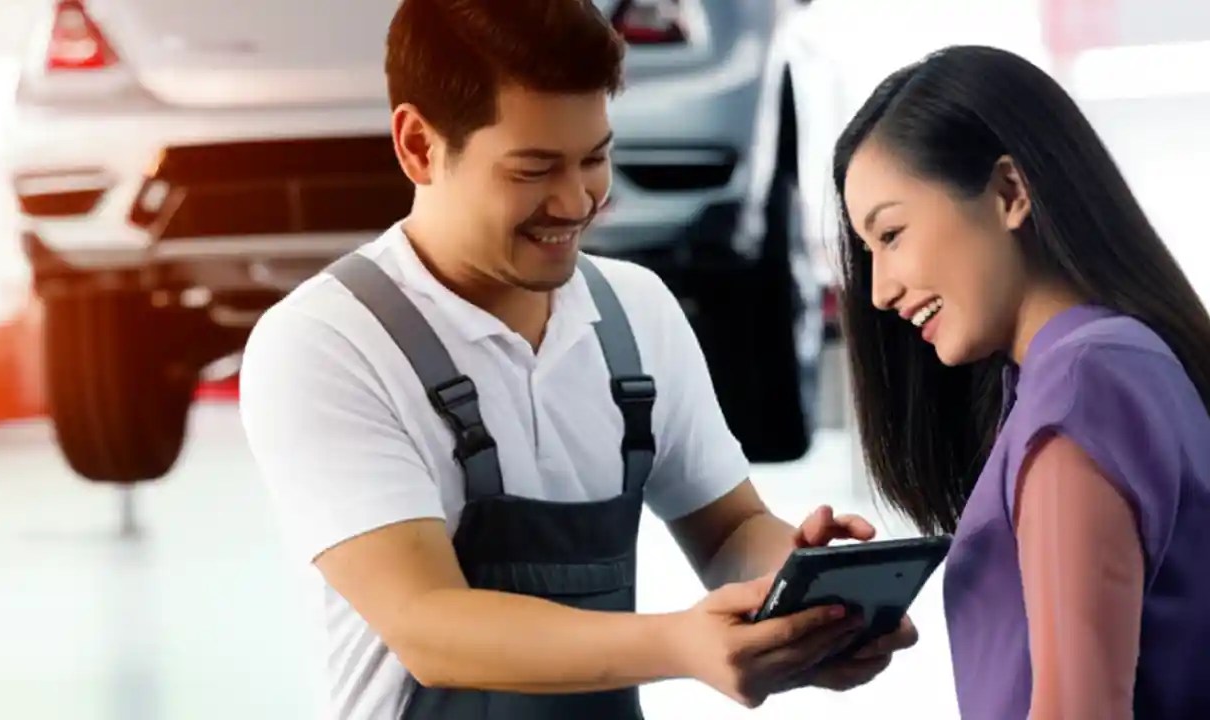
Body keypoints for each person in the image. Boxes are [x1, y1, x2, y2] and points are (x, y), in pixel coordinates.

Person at [238, 1, 917, 718]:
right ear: (417, 146)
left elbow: (728, 529)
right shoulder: (326, 341)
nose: (576, 201)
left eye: (594, 158)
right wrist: (679, 646)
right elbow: (428, 624)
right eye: (533, 169)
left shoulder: (636, 313)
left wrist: (808, 598)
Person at [834, 45, 1210, 720]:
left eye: (891, 234)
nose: (881, 291)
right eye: (868, 253)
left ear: (1010, 193)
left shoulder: (1079, 388)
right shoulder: (1123, 364)